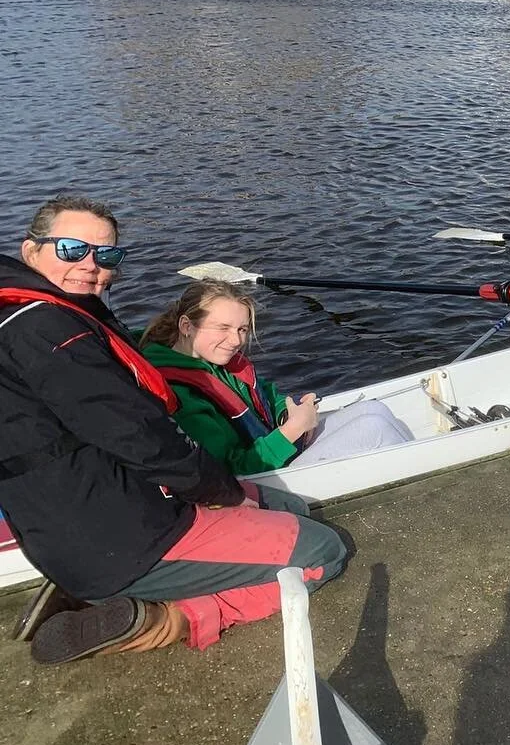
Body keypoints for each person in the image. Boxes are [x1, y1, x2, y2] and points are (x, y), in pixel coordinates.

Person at [0, 196, 347, 665]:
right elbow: (141, 437)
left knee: (289, 505)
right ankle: (168, 618)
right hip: (128, 537)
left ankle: (91, 590)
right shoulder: (47, 330)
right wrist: (223, 494)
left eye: (106, 255)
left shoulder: (41, 314)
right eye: (71, 249)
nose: (90, 265)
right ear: (30, 250)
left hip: (102, 511)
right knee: (323, 551)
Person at [139, 280, 414, 474]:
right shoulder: (180, 392)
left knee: (373, 409)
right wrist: (293, 429)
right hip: (258, 480)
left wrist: (288, 410)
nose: (235, 340)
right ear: (186, 326)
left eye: (242, 329)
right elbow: (231, 470)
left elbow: (267, 395)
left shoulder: (217, 361)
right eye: (223, 327)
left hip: (276, 450)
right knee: (374, 429)